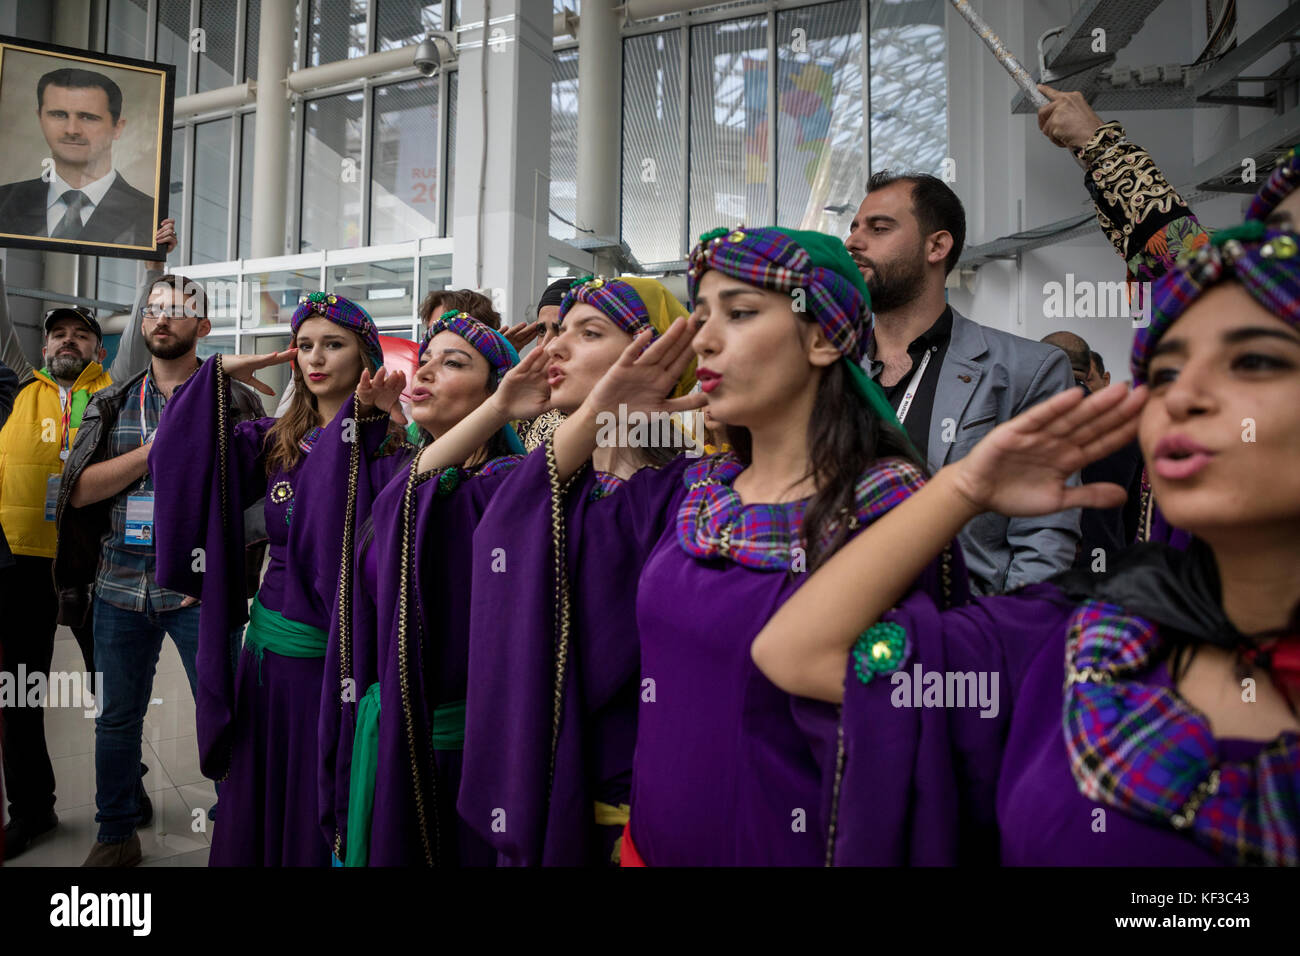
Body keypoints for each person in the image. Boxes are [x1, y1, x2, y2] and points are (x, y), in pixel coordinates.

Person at [751, 224, 1300, 866]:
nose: (1184, 397)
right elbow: (798, 650)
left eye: (1253, 361)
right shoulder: (1078, 635)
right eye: (1167, 370)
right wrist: (964, 487)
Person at [460, 228, 966, 866]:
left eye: (741, 313)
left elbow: (901, 731)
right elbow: (512, 524)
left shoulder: (886, 507)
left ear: (821, 335)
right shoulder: (697, 490)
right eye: (700, 317)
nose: (704, 339)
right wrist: (606, 413)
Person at [148, 291, 397, 866]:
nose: (315, 358)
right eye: (305, 345)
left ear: (365, 357)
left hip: (338, 661)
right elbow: (177, 457)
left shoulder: (392, 445)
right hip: (268, 658)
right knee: (260, 797)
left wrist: (380, 423)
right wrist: (212, 377)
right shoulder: (277, 442)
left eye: (333, 345)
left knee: (318, 797)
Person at [310, 310, 535, 866]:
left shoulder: (506, 488)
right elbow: (329, 505)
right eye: (426, 359)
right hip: (388, 731)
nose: (427, 370)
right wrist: (366, 414)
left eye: (454, 362)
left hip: (456, 752)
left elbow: (407, 506)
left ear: (498, 389)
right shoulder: (406, 467)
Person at [55, 274, 263, 867]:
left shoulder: (237, 403)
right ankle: (116, 830)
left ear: (203, 326)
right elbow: (78, 492)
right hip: (120, 588)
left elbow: (256, 508)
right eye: (154, 310)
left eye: (179, 311)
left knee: (225, 718)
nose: (163, 319)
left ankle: (236, 826)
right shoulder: (113, 402)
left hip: (204, 595)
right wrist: (159, 447)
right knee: (116, 720)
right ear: (143, 324)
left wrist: (231, 580)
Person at [0, 220, 170, 859]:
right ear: (41, 347)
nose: (68, 340)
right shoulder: (18, 384)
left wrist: (152, 263)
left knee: (112, 687)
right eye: (58, 332)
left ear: (100, 348)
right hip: (19, 565)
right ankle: (34, 810)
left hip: (92, 564)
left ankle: (125, 793)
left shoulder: (116, 387)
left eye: (82, 333)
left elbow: (139, 318)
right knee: (19, 691)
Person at [845, 172, 1079, 594]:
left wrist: (1000, 637)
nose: (853, 243)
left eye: (878, 229)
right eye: (854, 228)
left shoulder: (1028, 371)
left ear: (937, 246)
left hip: (961, 631)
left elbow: (1045, 536)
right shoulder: (832, 369)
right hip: (835, 629)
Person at [0, 68, 154, 246]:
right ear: (40, 119)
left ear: (117, 128)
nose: (72, 129)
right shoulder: (5, 202)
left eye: (88, 117)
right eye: (59, 115)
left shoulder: (149, 216)